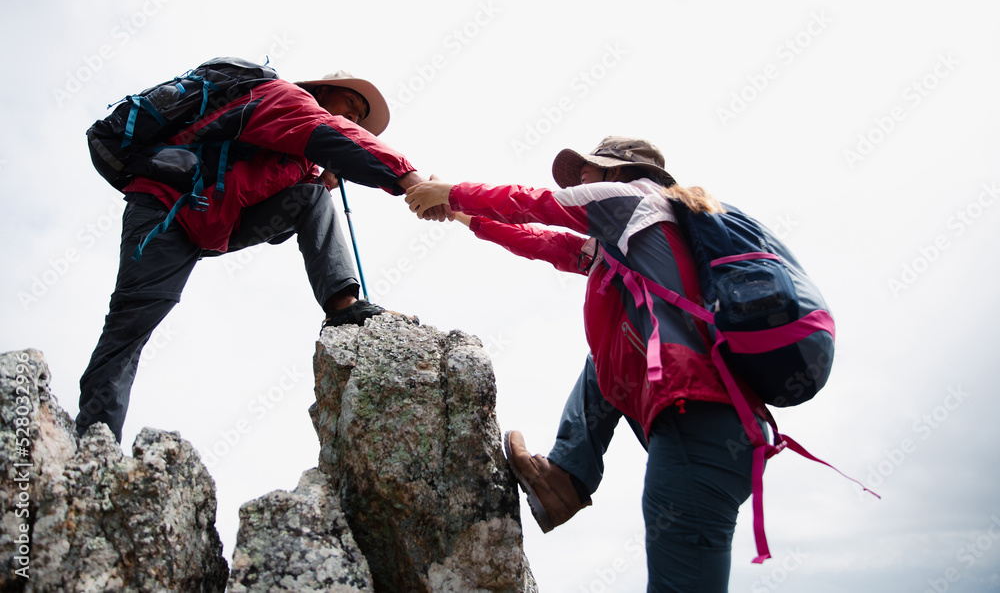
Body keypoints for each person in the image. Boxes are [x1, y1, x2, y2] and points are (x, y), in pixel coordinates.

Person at [405, 137, 760, 592]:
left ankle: (567, 477)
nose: (581, 178)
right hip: (700, 422)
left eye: (590, 168)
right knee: (603, 358)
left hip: (702, 423)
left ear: (618, 172)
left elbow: (538, 204)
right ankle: (565, 480)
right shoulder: (628, 241)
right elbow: (546, 243)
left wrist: (452, 192)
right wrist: (464, 214)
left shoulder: (635, 199)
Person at [76, 68, 443, 443]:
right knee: (131, 324)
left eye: (360, 115)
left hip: (216, 222)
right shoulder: (284, 97)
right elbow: (332, 135)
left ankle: (342, 306)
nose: (354, 117)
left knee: (313, 197)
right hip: (166, 209)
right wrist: (408, 178)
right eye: (350, 103)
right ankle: (94, 440)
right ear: (321, 91)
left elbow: (282, 227)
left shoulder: (301, 157)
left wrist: (321, 182)